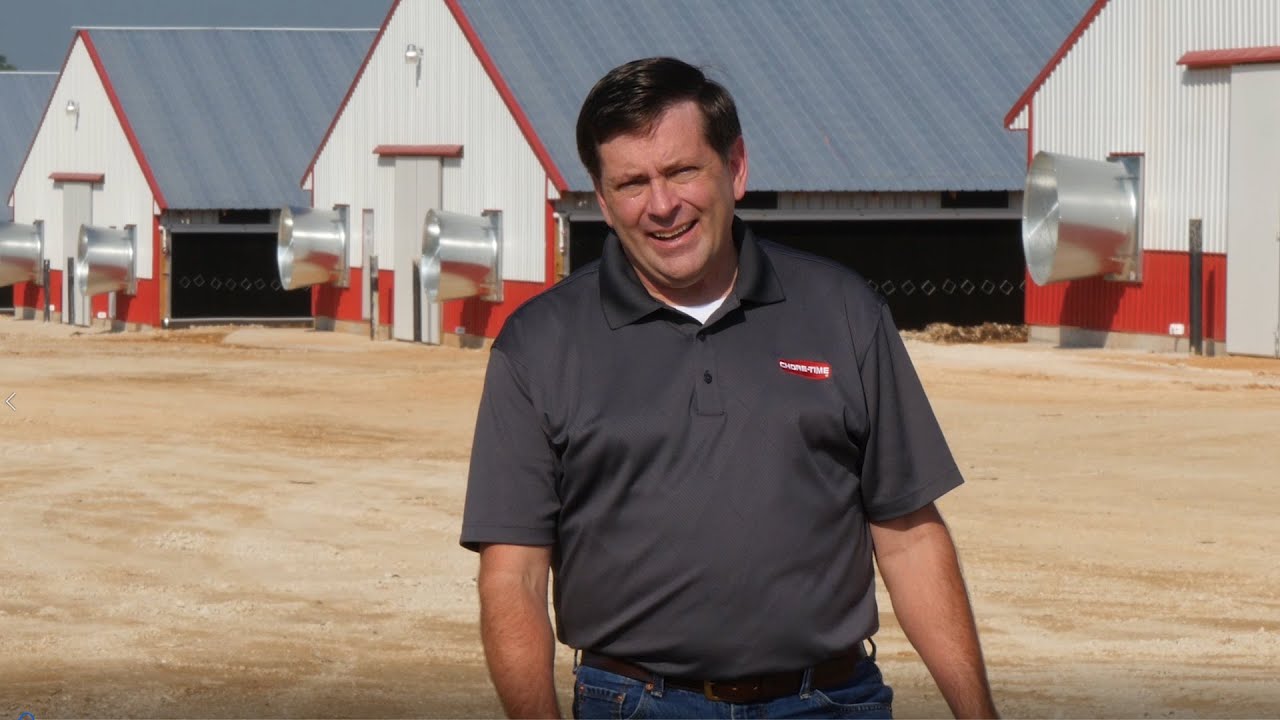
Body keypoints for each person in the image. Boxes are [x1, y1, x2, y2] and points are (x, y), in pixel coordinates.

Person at [460, 56, 997, 719]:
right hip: (636, 703)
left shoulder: (842, 312)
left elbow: (910, 535)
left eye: (682, 171)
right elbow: (512, 574)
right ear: (601, 200)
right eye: (631, 183)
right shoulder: (538, 344)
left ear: (734, 168)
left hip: (828, 701)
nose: (661, 205)